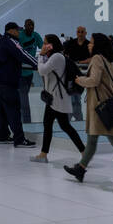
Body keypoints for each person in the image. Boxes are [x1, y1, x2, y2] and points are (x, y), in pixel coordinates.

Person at [63, 33, 113, 188]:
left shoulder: (97, 59)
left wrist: (79, 80)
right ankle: (81, 169)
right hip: (103, 105)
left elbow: (94, 81)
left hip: (101, 107)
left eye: (91, 42)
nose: (89, 45)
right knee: (92, 139)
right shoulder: (107, 60)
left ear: (97, 44)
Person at [31, 34, 85, 163]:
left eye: (45, 43)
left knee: (64, 126)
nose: (43, 45)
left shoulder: (56, 57)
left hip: (57, 98)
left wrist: (40, 56)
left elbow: (42, 71)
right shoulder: (55, 56)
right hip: (55, 98)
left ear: (51, 45)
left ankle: (84, 152)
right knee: (54, 125)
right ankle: (44, 154)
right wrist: (43, 56)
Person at [0, 22, 38, 147]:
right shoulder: (10, 41)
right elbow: (22, 54)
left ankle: (2, 136)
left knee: (2, 110)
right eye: (18, 30)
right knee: (14, 109)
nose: (19, 33)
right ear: (11, 31)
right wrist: (38, 64)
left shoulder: (0, 41)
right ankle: (19, 139)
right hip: (7, 81)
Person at [18, 18, 43, 121]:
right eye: (29, 25)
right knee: (23, 96)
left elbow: (43, 46)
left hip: (29, 73)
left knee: (23, 96)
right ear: (25, 26)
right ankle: (26, 120)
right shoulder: (20, 35)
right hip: (20, 73)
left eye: (32, 25)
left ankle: (24, 119)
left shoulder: (36, 35)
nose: (31, 27)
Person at [63, 26, 90, 121]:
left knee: (77, 99)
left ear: (85, 33)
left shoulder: (88, 44)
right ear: (76, 33)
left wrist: (80, 62)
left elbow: (92, 58)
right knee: (70, 98)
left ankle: (78, 120)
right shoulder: (71, 43)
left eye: (82, 32)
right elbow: (65, 56)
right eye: (79, 32)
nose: (80, 33)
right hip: (71, 74)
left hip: (83, 74)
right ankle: (69, 120)